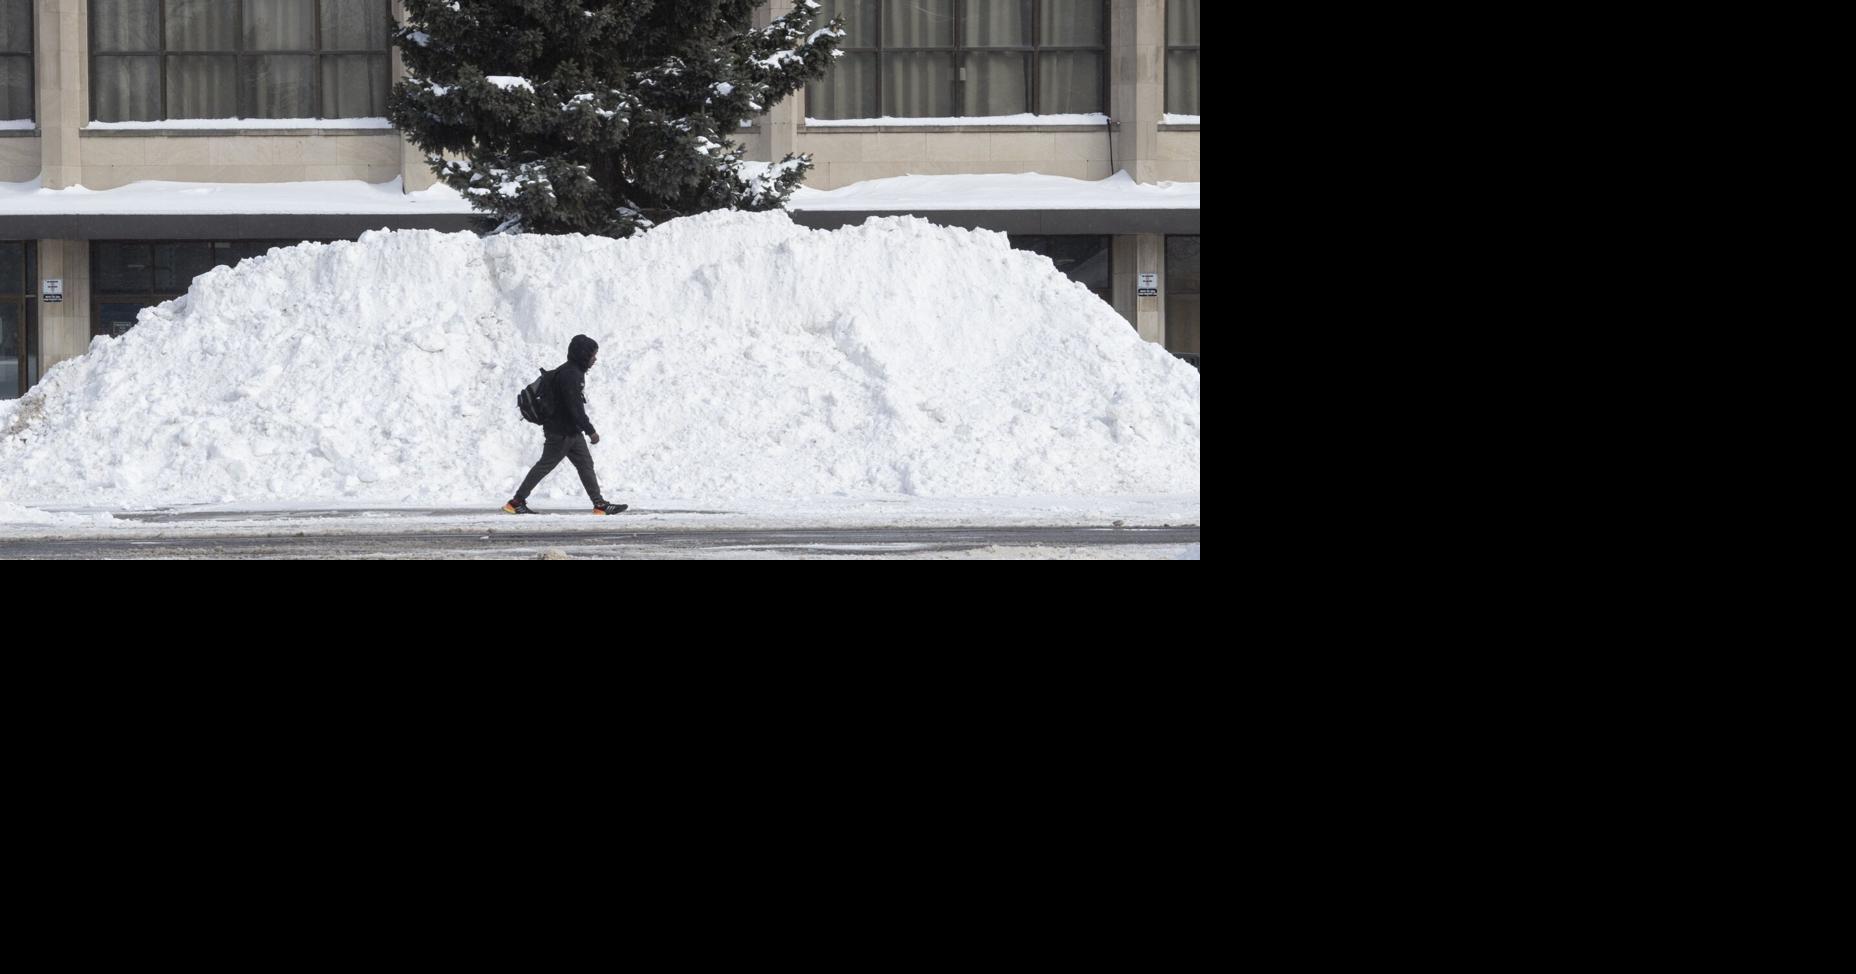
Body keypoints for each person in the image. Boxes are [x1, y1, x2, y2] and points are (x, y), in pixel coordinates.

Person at [503, 335, 627, 515]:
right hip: (560, 432)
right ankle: (516, 502)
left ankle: (599, 504)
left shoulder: (571, 371)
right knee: (544, 466)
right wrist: (591, 431)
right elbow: (575, 408)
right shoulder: (571, 375)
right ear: (583, 355)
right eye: (593, 355)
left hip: (571, 432)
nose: (595, 359)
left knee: (585, 465)